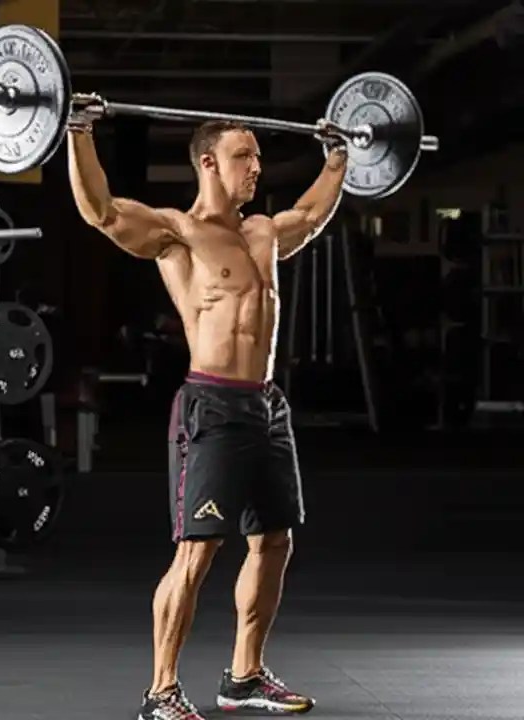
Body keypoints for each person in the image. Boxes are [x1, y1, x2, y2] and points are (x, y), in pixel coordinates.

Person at [67, 102, 348, 719]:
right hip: (212, 408)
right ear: (207, 161)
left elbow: (311, 214)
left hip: (267, 407)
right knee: (198, 551)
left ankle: (243, 676)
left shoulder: (264, 232)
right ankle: (160, 691)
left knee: (274, 541)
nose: (256, 167)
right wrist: (79, 132)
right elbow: (103, 212)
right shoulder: (178, 234)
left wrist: (339, 158)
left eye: (257, 156)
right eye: (244, 155)